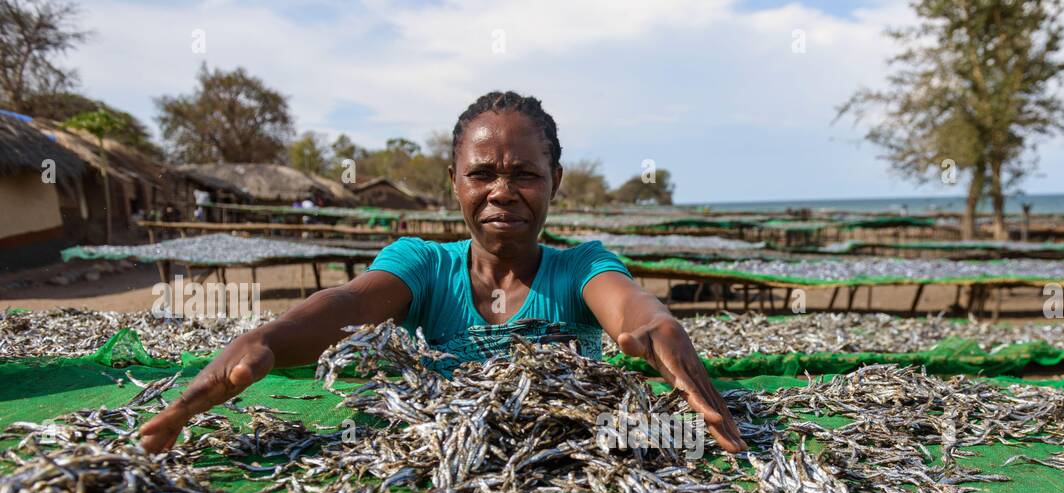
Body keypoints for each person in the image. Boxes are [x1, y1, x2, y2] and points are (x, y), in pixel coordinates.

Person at [139, 91, 745, 455]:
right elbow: (347, 307)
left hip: (564, 446)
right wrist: (267, 341)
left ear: (554, 183)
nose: (503, 192)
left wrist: (654, 325)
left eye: (526, 175)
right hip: (443, 448)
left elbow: (629, 306)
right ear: (454, 183)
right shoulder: (422, 265)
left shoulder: (581, 264)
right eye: (482, 174)